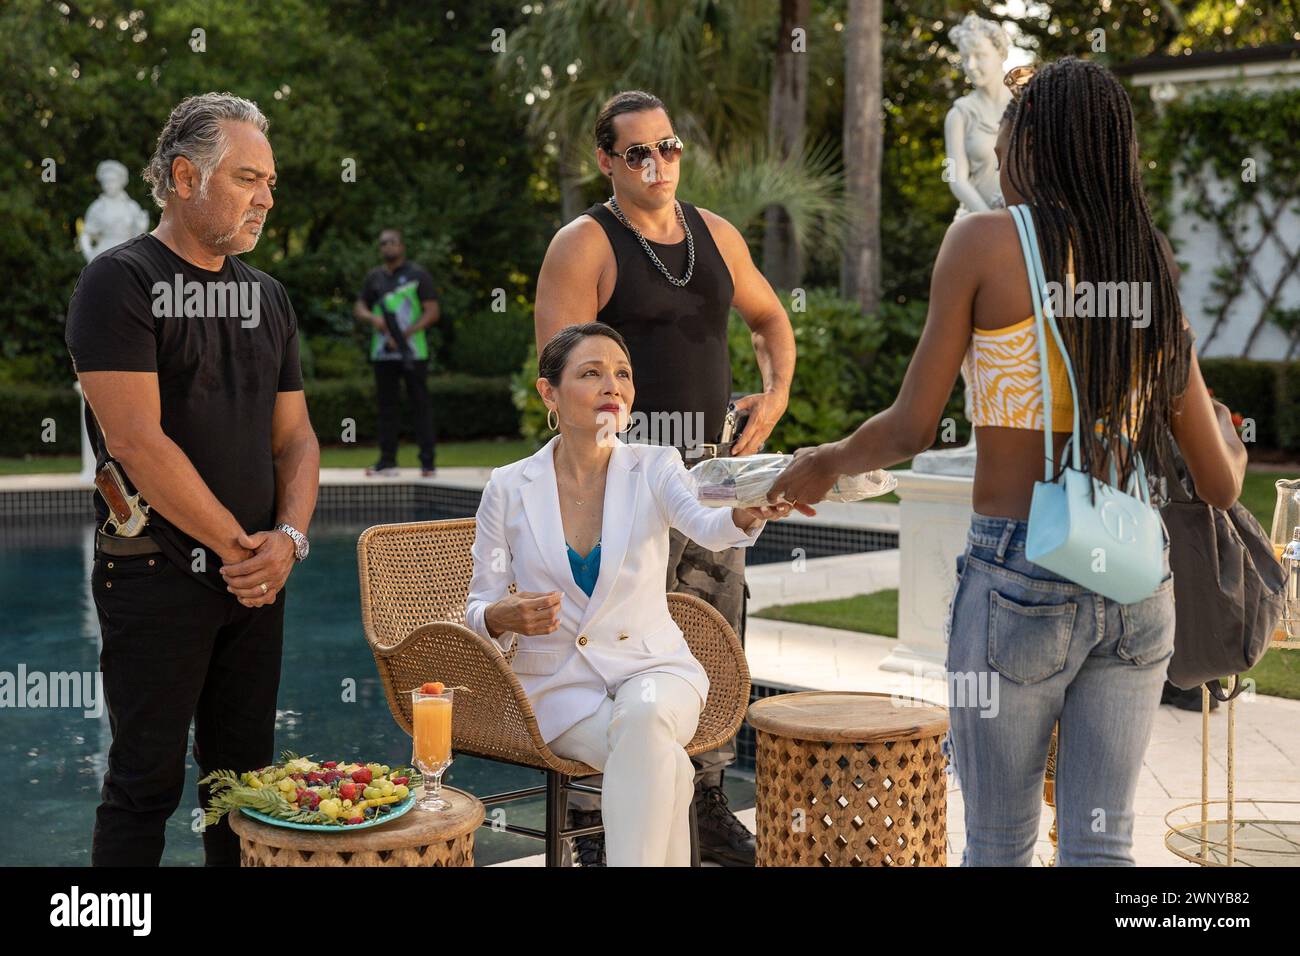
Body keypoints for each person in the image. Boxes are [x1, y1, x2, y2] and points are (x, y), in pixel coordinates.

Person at [768, 59, 1247, 866]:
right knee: (1102, 846)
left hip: (1020, 573)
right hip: (1135, 586)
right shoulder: (1149, 259)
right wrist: (1230, 433)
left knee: (998, 841)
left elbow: (912, 427)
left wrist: (828, 459)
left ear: (1030, 142)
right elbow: (1222, 480)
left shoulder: (984, 242)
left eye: (1009, 131)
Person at [534, 89, 795, 866]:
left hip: (712, 470)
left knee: (716, 638)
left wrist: (773, 397)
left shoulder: (714, 234)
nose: (658, 164)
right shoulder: (584, 244)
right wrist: (613, 463)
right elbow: (562, 368)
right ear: (606, 161)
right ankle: (593, 821)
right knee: (616, 639)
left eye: (669, 147)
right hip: (624, 474)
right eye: (638, 152)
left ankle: (706, 804)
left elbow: (771, 320)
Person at [65, 92, 320, 866]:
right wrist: (247, 548)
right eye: (248, 178)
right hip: (156, 577)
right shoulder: (119, 282)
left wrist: (290, 541)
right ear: (184, 175)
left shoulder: (268, 296)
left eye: (269, 181)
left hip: (254, 583)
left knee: (242, 790)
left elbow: (298, 439)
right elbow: (138, 443)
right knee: (144, 785)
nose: (267, 198)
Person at [464, 323, 792, 867]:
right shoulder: (509, 485)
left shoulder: (655, 466)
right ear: (549, 392)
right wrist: (502, 616)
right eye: (591, 373)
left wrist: (744, 512)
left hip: (656, 671)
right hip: (561, 689)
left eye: (622, 374)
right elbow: (480, 606)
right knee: (660, 762)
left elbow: (705, 523)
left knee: (643, 724)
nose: (612, 386)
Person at [352, 228, 440, 477]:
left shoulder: (418, 275)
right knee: (386, 408)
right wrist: (373, 320)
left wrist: (407, 334)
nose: (387, 247)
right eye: (383, 243)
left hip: (413, 352)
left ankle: (428, 463)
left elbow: (432, 311)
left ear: (401, 246)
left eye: (392, 242)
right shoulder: (375, 278)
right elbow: (360, 306)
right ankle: (387, 462)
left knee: (420, 406)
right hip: (382, 354)